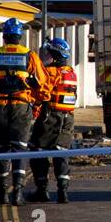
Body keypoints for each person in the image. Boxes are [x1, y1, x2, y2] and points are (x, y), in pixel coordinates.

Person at [0, 18, 48, 206]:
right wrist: (38, 103)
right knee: (19, 149)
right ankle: (17, 192)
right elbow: (43, 85)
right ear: (19, 36)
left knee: (1, 149)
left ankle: (2, 191)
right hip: (21, 108)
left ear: (5, 36)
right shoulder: (30, 55)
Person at [28, 38, 77, 204]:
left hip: (50, 117)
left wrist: (32, 84)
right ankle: (63, 191)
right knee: (60, 152)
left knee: (37, 150)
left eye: (49, 52)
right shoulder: (70, 72)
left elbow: (43, 94)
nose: (46, 55)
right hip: (68, 119)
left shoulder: (51, 72)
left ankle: (42, 190)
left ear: (55, 54)